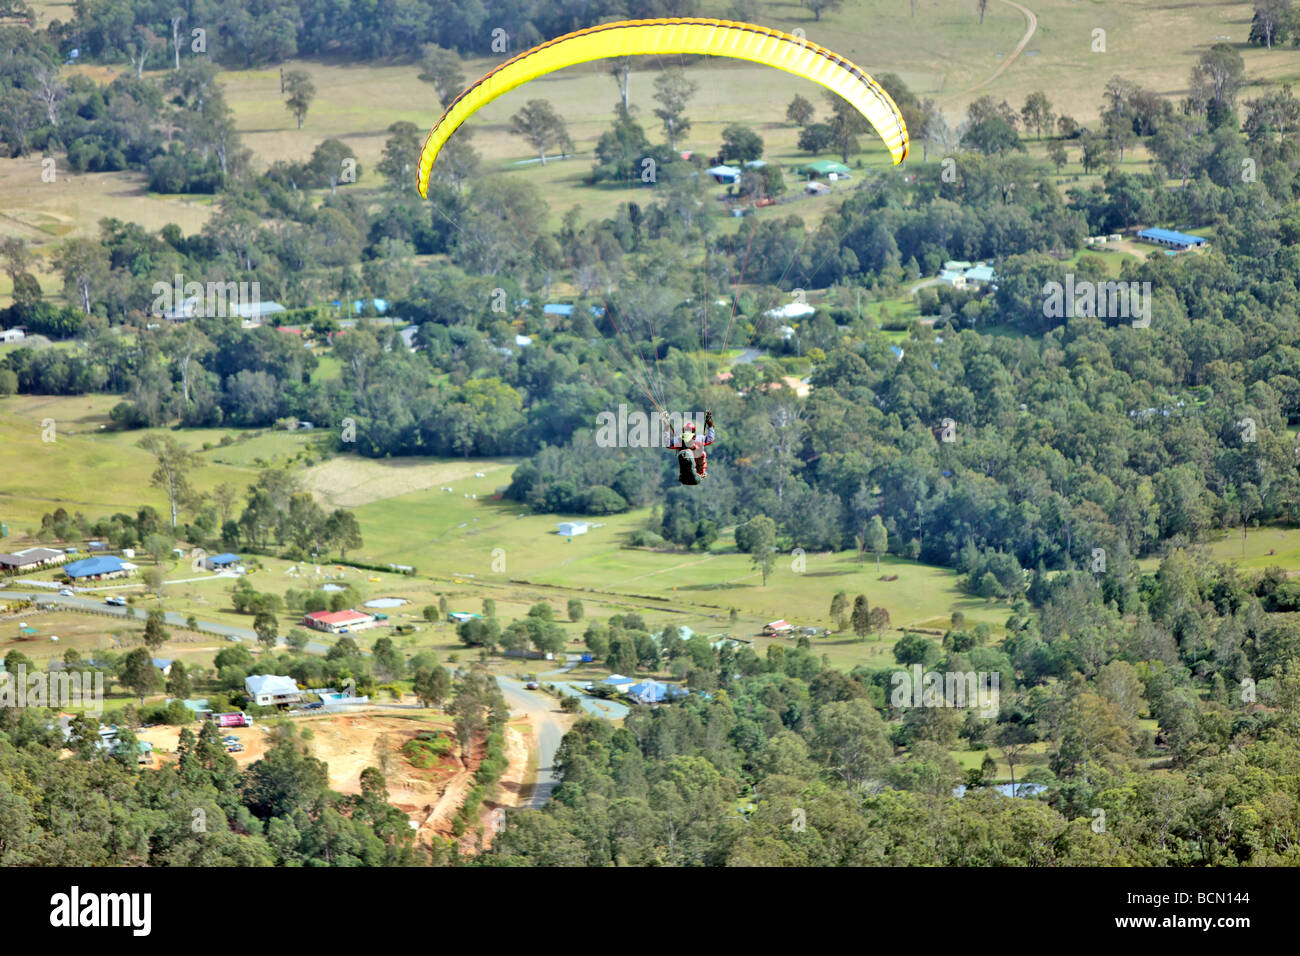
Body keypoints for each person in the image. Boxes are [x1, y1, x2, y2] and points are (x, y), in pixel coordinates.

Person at [664, 411, 715, 484]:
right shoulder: (699, 439)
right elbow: (711, 438)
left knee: (698, 454)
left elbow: (667, 443)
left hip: (691, 475)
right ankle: (699, 472)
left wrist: (666, 426)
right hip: (694, 475)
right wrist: (710, 424)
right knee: (700, 454)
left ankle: (698, 472)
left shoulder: (679, 440)